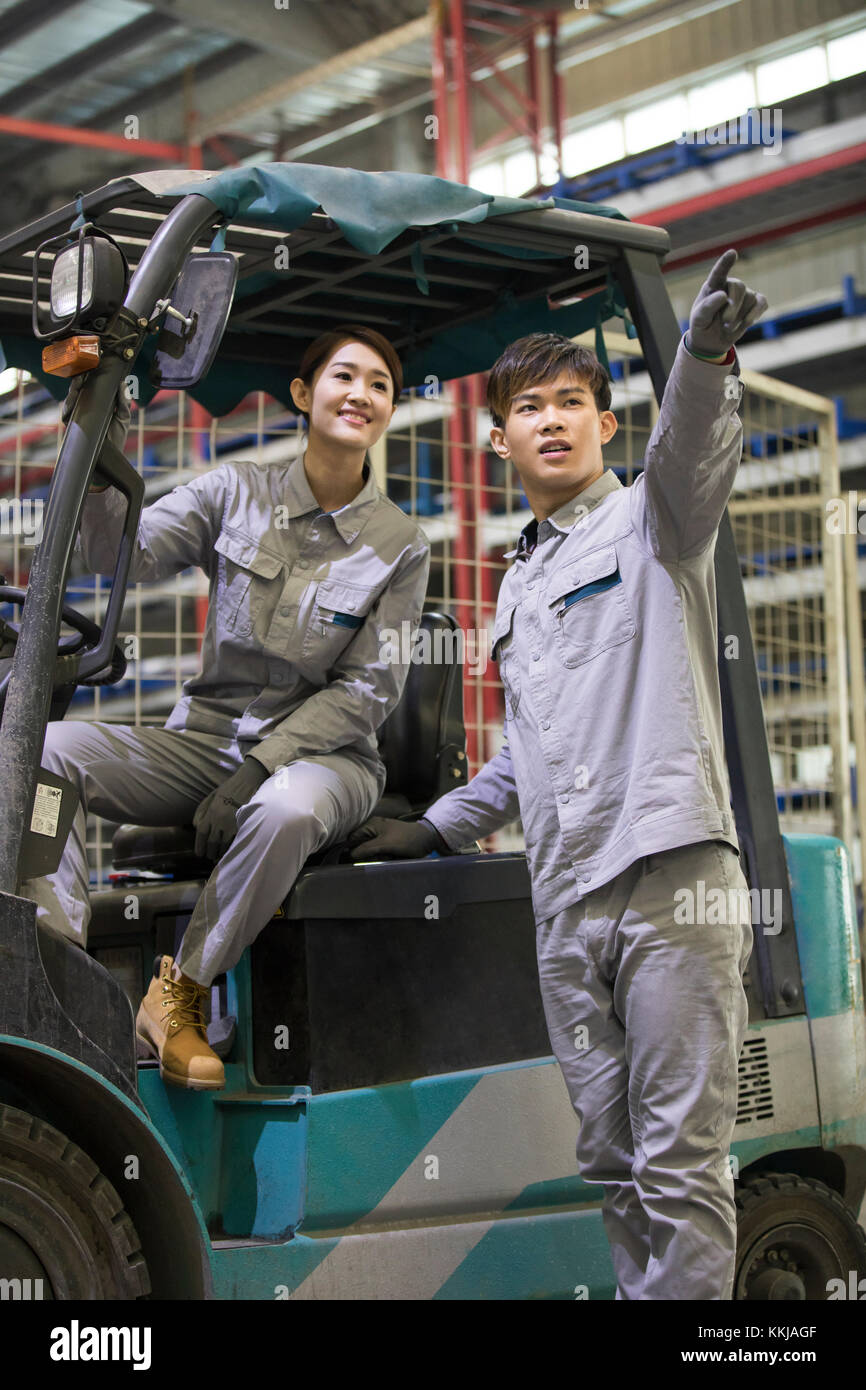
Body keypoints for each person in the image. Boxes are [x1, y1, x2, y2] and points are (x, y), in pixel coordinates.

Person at [348, 250, 769, 1300]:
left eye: (571, 403)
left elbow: (691, 447)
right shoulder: (519, 582)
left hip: (667, 876)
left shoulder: (650, 524)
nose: (550, 421)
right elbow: (526, 747)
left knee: (678, 1163)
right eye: (528, 407)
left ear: (603, 426)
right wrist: (438, 825)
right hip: (564, 904)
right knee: (613, 1164)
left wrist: (704, 353)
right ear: (497, 441)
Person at [21, 325, 430, 1092]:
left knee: (283, 812)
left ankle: (178, 995)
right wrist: (103, 450)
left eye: (381, 385)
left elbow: (366, 692)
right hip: (208, 741)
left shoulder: (401, 543)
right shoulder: (233, 493)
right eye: (345, 377)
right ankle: (57, 970)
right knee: (47, 752)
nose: (362, 395)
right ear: (306, 397)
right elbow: (116, 559)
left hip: (326, 759)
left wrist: (257, 770)